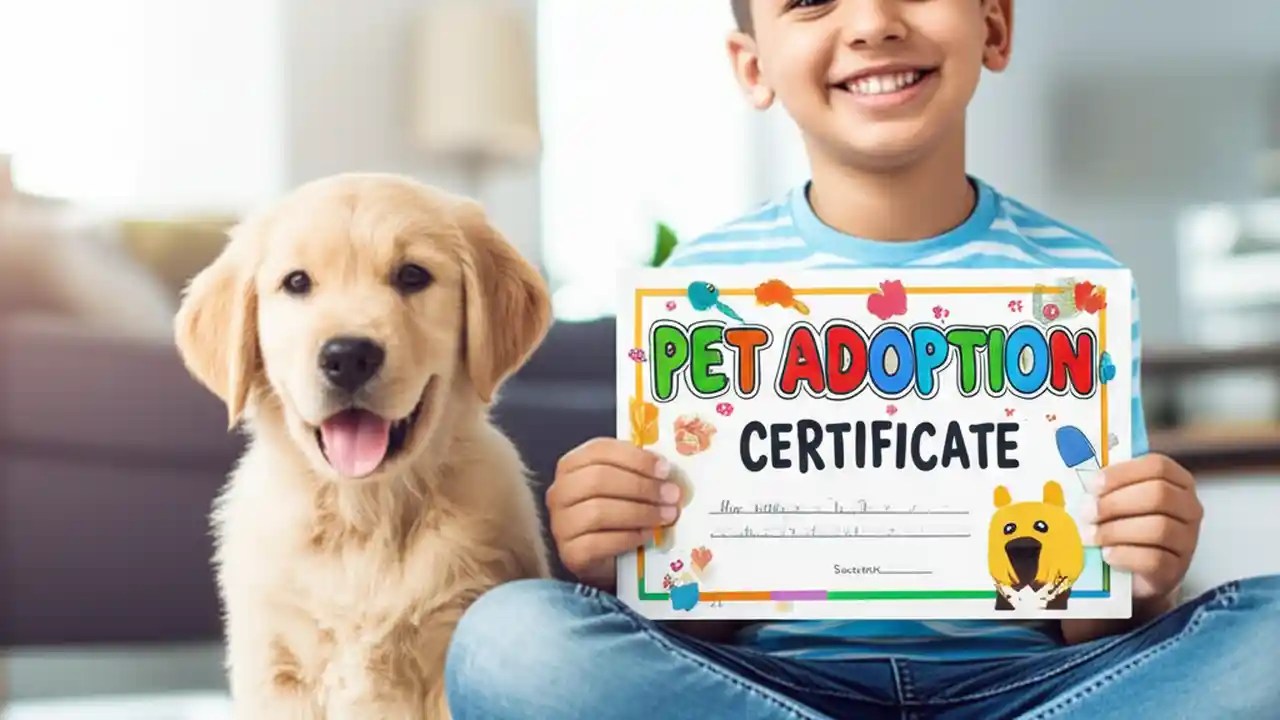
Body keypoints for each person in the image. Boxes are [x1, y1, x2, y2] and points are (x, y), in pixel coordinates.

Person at [444, 1, 1280, 717]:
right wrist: (623, 559)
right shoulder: (698, 292)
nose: (874, 23)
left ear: (994, 24)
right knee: (508, 642)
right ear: (752, 65)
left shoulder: (1080, 284)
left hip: (1038, 685)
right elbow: (690, 625)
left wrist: (1139, 568)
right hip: (767, 684)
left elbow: (1091, 616)